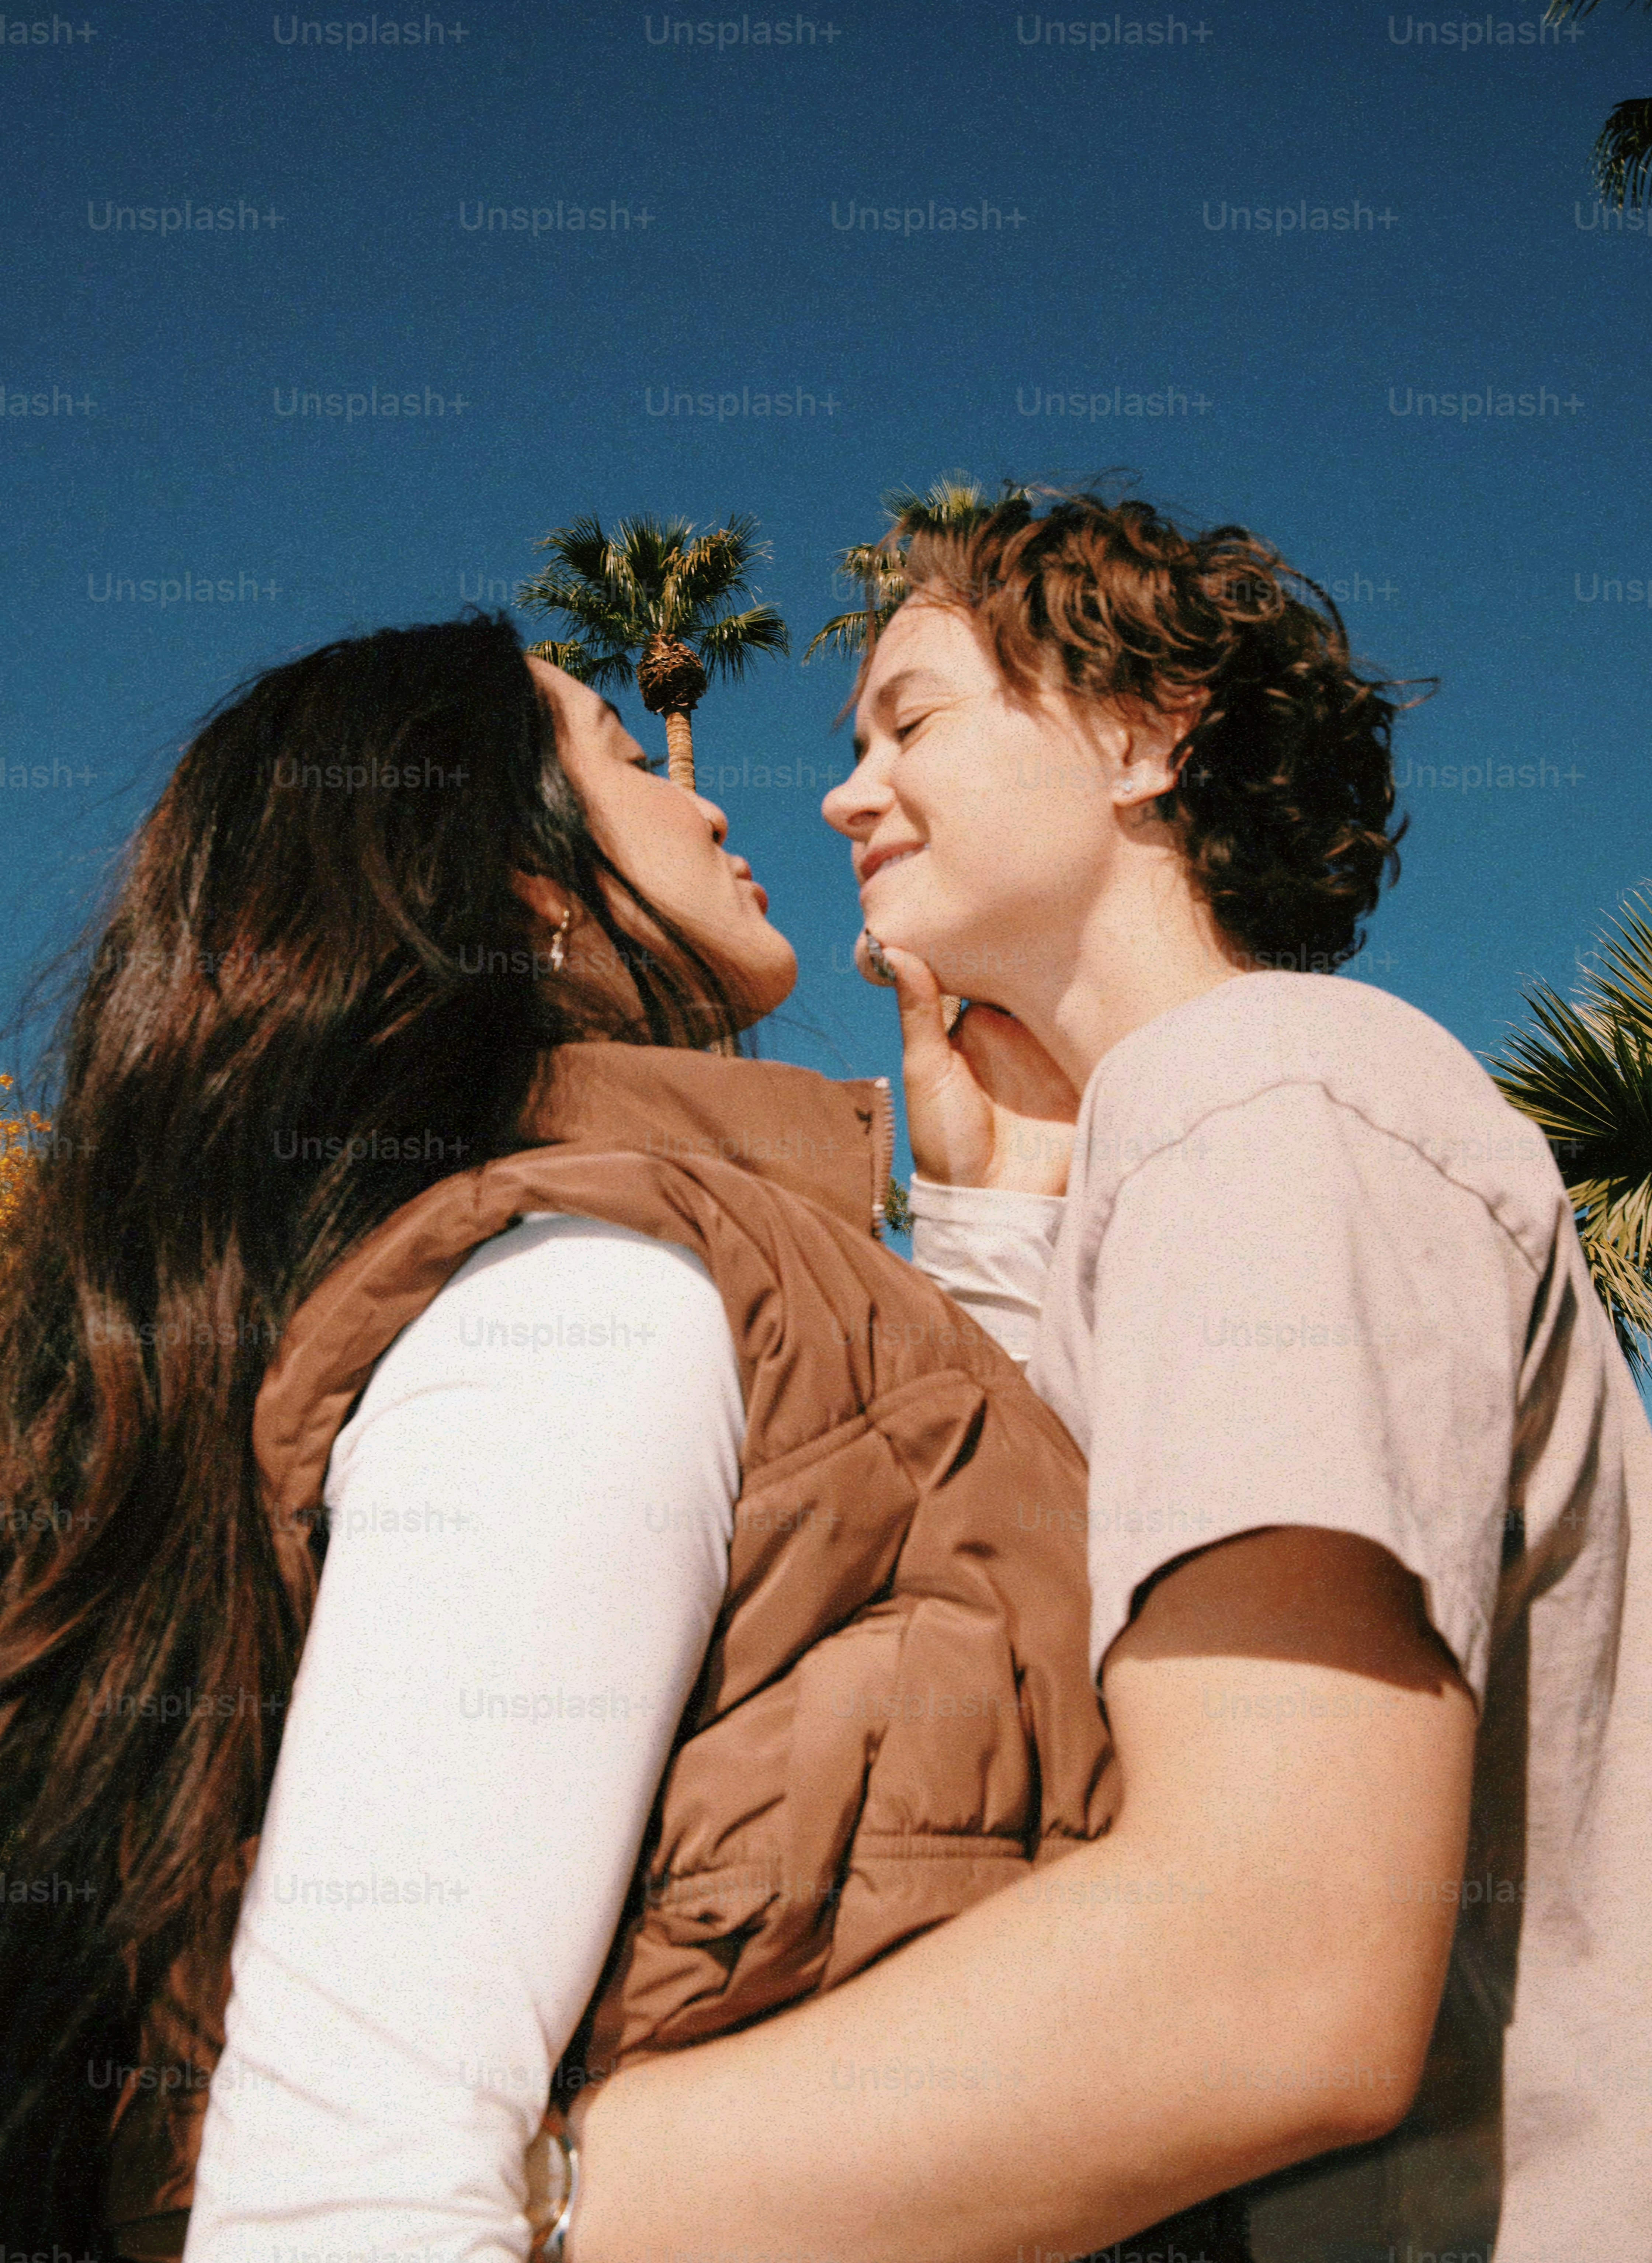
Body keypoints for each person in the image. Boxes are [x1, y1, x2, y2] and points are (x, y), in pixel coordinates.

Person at [556, 494, 1652, 2263]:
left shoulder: (1270, 1089)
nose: (841, 795)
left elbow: (1267, 1971)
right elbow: (1035, 1735)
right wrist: (991, 1213)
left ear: (1144, 737)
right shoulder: (1184, 1144)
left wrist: (503, 2196)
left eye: (912, 722)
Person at [0, 612, 1156, 2263]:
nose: (722, 806)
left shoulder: (703, 1286)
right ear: (528, 896)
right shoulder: (584, 1300)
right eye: (622, 759)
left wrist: (987, 1227)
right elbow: (351, 2177)